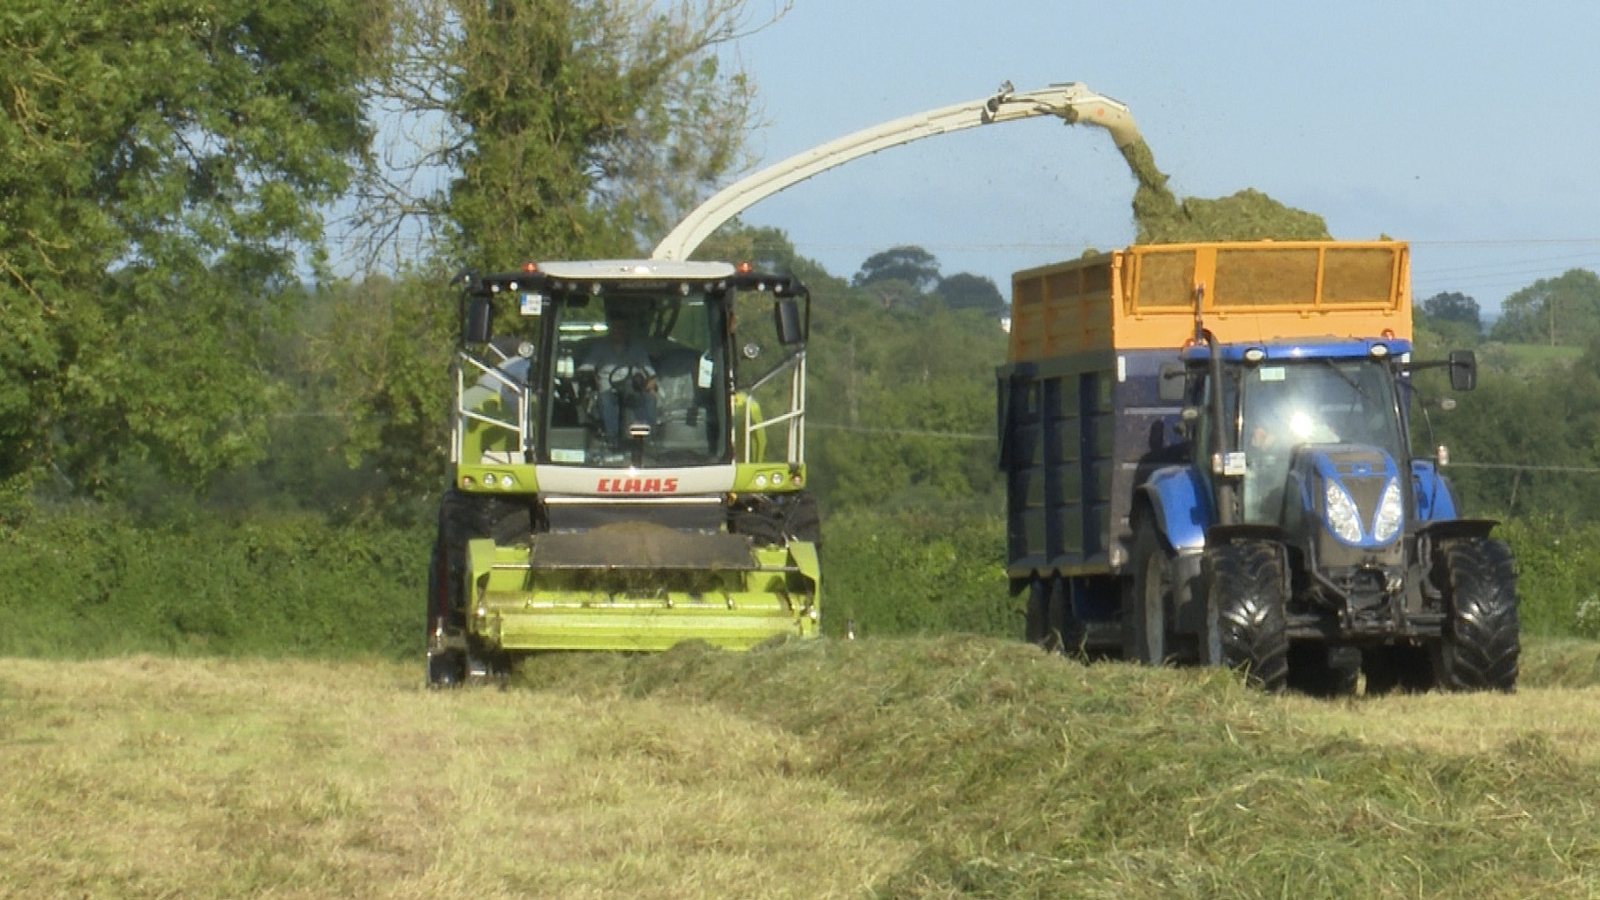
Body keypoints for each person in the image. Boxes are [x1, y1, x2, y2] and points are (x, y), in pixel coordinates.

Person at [579, 305, 658, 445]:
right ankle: (613, 439)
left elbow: (651, 374)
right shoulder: (599, 348)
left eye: (623, 328)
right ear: (610, 328)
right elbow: (585, 370)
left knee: (649, 399)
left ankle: (647, 439)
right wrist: (593, 382)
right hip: (608, 389)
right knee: (606, 400)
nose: (620, 331)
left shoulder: (637, 348)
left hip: (634, 389)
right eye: (616, 327)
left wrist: (649, 388)